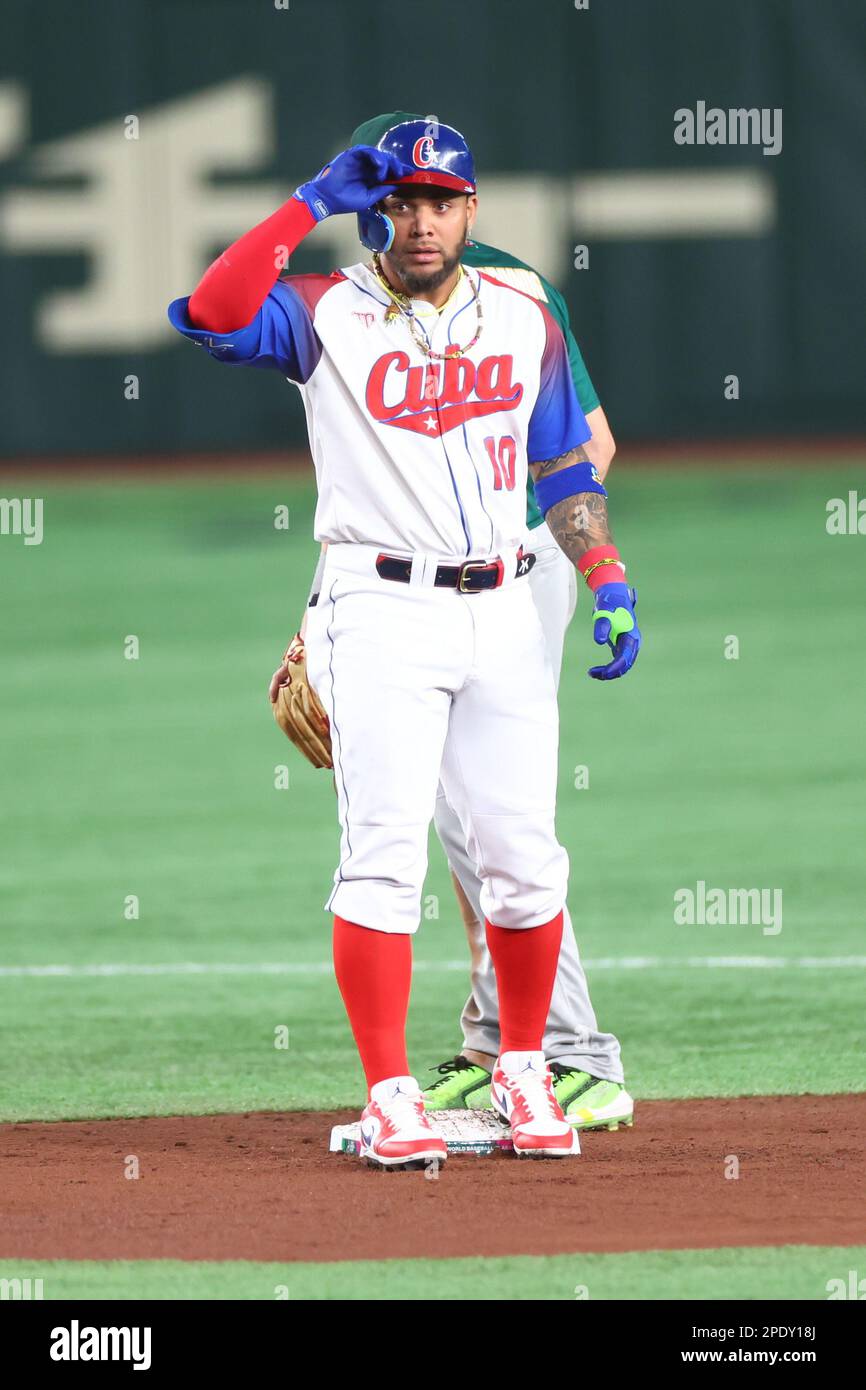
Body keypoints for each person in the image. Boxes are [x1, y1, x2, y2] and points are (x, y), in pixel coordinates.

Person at [168, 118, 641, 1169]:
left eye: (441, 198)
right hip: (379, 608)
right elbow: (211, 312)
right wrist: (304, 204)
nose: (420, 218)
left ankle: (524, 1069)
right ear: (376, 205)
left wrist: (603, 575)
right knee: (384, 859)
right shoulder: (323, 309)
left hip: (507, 608)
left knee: (522, 858)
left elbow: (564, 459)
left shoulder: (520, 311)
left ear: (471, 208)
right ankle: (388, 1093)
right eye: (402, 198)